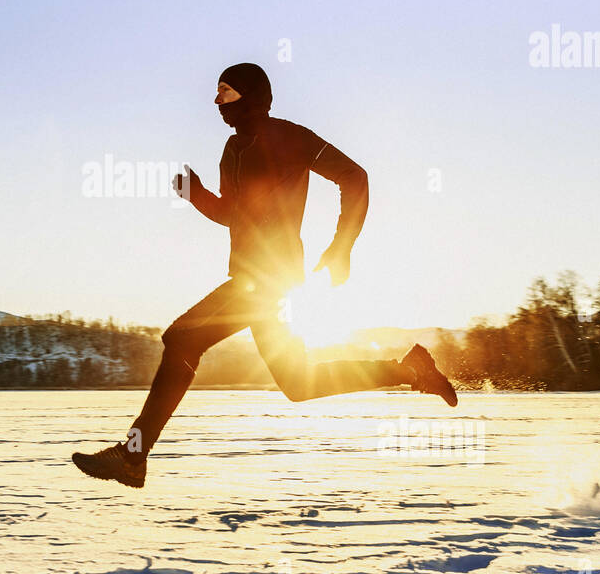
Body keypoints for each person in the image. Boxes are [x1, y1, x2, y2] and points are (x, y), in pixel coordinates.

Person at [72, 62, 457, 488]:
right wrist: (197, 195)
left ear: (251, 95)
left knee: (182, 338)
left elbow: (355, 177)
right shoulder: (231, 151)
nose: (217, 101)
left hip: (270, 278)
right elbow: (233, 214)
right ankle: (410, 371)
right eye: (218, 93)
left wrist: (341, 246)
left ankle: (133, 455)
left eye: (226, 91)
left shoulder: (292, 138)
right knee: (297, 382)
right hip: (252, 279)